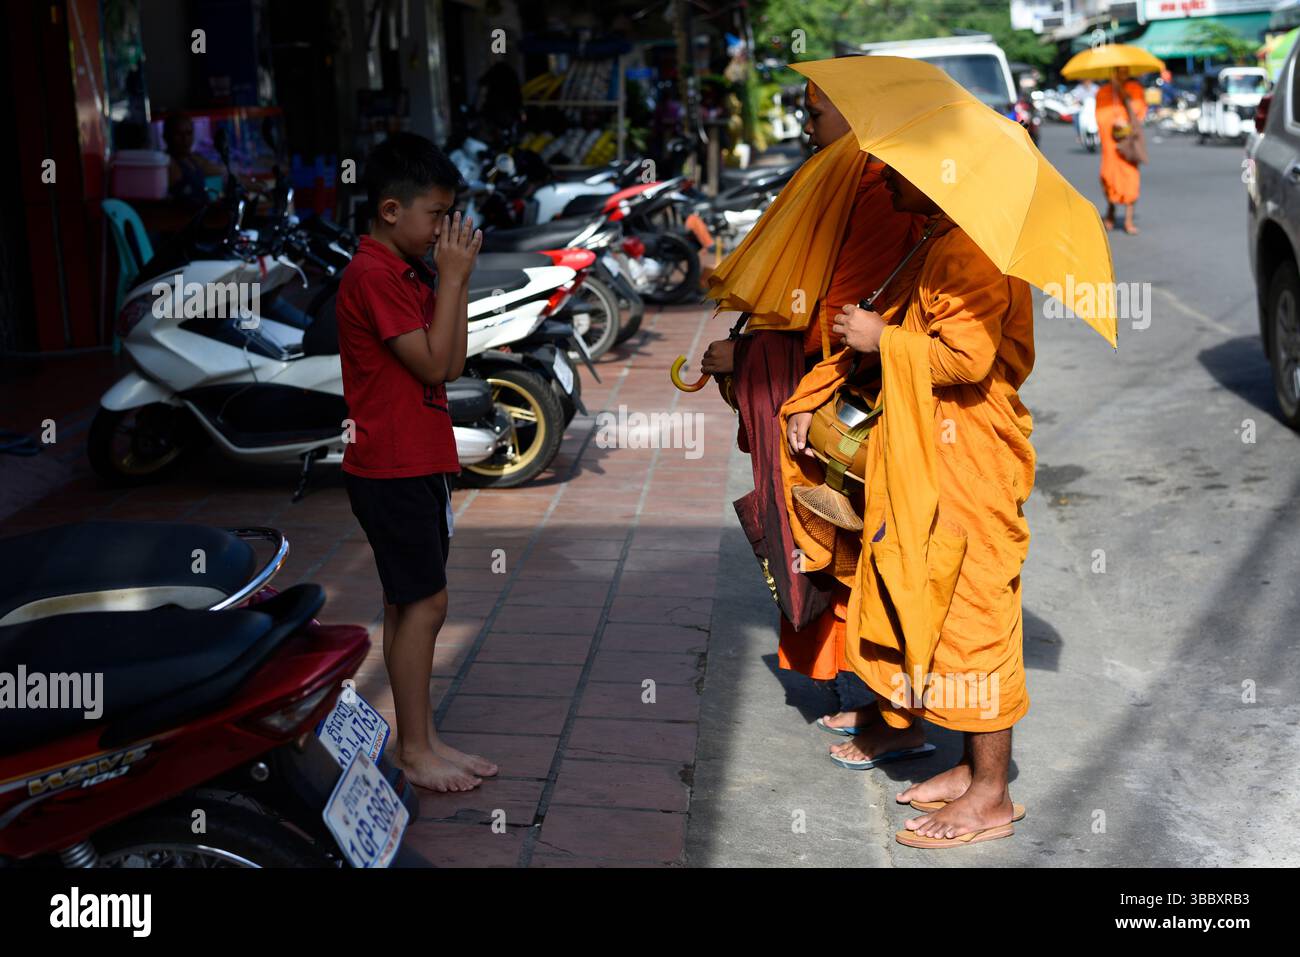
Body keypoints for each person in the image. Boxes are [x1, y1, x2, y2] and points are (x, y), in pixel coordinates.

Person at [781, 162, 1035, 845]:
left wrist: (879, 339)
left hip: (969, 463)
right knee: (937, 608)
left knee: (975, 614)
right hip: (933, 455)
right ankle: (967, 766)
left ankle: (990, 795)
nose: (886, 181)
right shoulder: (936, 236)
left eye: (899, 171)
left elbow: (968, 359)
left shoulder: (971, 247)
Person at [699, 81, 922, 751]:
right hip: (824, 381)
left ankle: (892, 717)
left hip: (857, 394)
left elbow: (847, 313)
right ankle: (872, 698)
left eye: (815, 105)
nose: (804, 116)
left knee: (849, 541)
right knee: (831, 536)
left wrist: (747, 350)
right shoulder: (841, 172)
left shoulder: (881, 183)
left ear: (857, 108)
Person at [336, 132, 496, 792]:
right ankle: (413, 749)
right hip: (390, 465)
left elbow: (450, 362)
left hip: (414, 461)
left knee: (413, 603)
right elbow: (432, 361)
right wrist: (454, 277)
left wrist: (449, 282)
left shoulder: (402, 272)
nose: (443, 230)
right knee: (425, 603)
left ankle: (420, 740)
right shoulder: (372, 274)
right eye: (435, 215)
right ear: (391, 209)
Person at [1096, 68, 1147, 234]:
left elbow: (1138, 112)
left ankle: (1128, 221)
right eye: (1117, 71)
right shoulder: (1104, 92)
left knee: (1130, 180)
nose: (1121, 74)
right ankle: (1110, 213)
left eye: (1124, 71)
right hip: (1111, 145)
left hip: (1127, 143)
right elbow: (1100, 116)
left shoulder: (1135, 89)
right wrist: (1112, 121)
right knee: (1108, 177)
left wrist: (1122, 94)